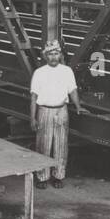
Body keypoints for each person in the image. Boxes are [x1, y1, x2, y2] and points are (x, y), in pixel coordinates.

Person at [29, 40, 84, 188]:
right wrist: (33, 118)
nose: (53, 57)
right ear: (46, 56)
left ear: (60, 55)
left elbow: (72, 90)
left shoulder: (66, 71)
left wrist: (78, 106)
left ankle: (58, 176)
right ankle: (42, 177)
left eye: (56, 53)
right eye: (50, 54)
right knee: (43, 145)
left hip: (61, 110)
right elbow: (33, 97)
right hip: (44, 110)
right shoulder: (39, 73)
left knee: (61, 145)